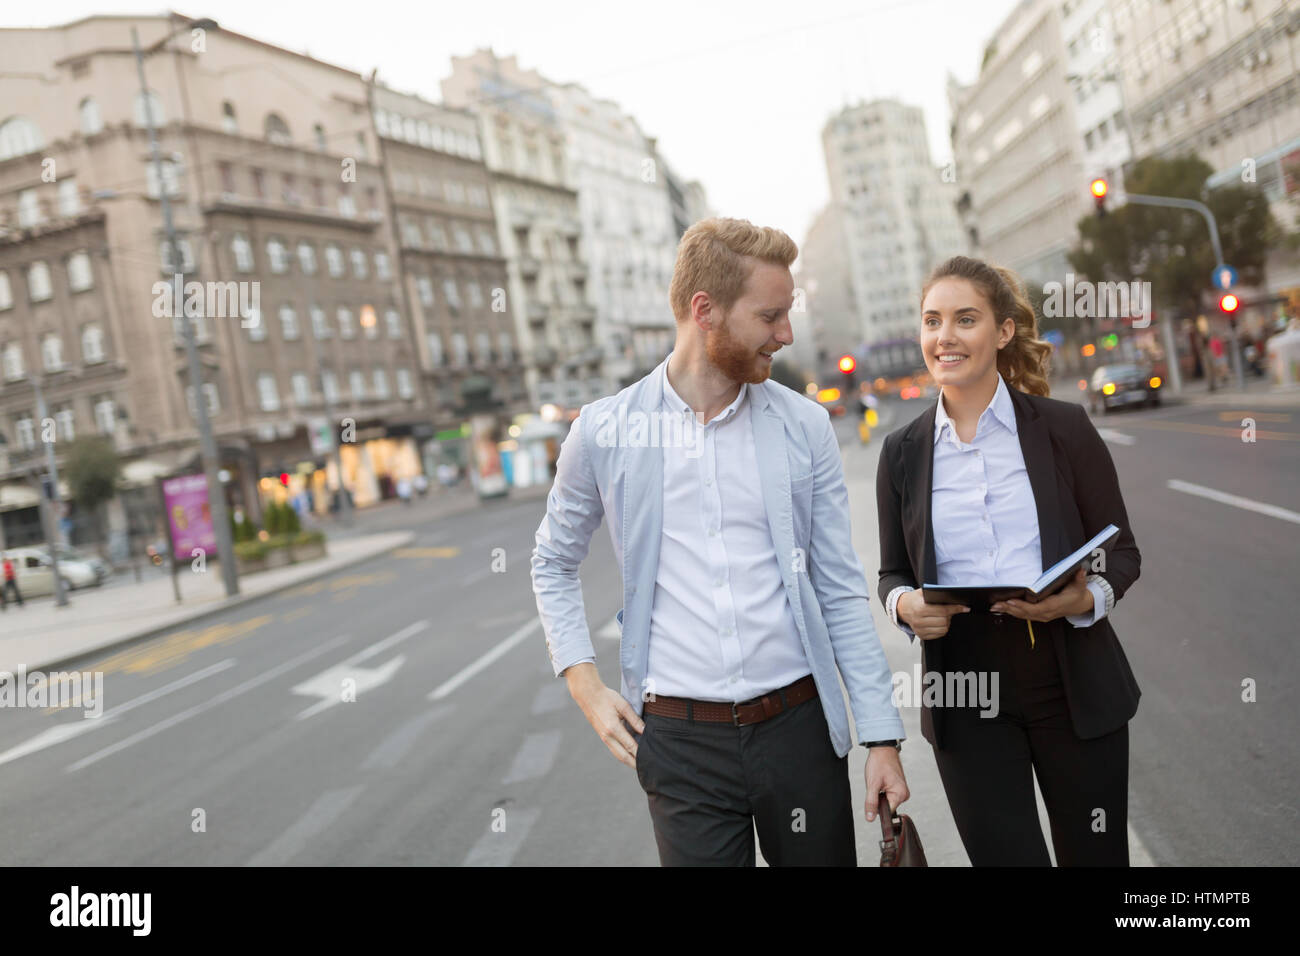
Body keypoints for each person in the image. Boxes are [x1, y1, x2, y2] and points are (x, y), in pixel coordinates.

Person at [532, 218, 908, 866]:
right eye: (770, 316)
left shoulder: (804, 427)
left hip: (799, 730)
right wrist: (585, 685)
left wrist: (881, 738)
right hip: (679, 746)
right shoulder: (605, 431)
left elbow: (840, 587)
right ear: (705, 311)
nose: (785, 334)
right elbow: (552, 560)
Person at [875, 255, 1142, 866]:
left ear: (1002, 332)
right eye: (932, 321)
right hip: (966, 692)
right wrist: (905, 605)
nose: (945, 336)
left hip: (1070, 675)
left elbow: (1119, 550)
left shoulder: (1064, 428)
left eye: (965, 319)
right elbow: (893, 572)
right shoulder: (902, 452)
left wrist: (1085, 599)